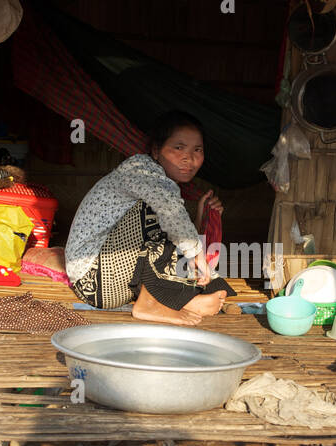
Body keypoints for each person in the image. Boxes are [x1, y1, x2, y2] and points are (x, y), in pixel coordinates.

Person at [66, 111, 234, 325]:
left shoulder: (164, 186)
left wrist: (201, 218)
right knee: (158, 209)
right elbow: (171, 215)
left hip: (124, 284)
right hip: (95, 281)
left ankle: (180, 301)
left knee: (216, 286)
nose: (189, 158)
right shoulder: (140, 169)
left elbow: (180, 243)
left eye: (197, 150)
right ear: (156, 151)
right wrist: (195, 251)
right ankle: (152, 303)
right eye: (178, 147)